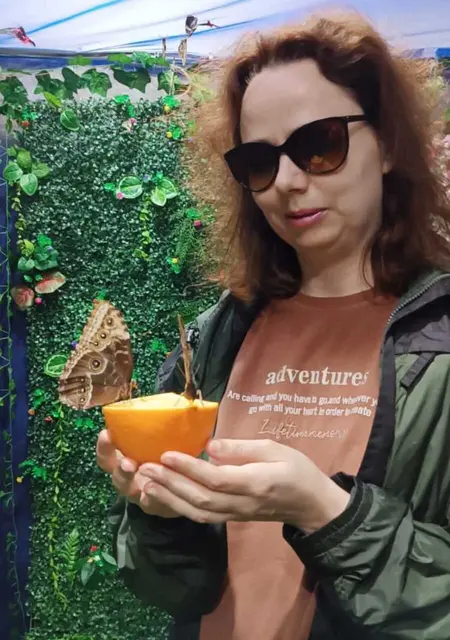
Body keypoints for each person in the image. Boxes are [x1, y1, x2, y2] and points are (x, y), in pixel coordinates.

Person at [96, 12, 450, 640]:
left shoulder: (440, 345)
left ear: (390, 143)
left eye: (320, 144)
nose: (287, 182)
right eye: (259, 160)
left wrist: (327, 512)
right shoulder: (217, 336)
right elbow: (169, 587)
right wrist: (158, 512)